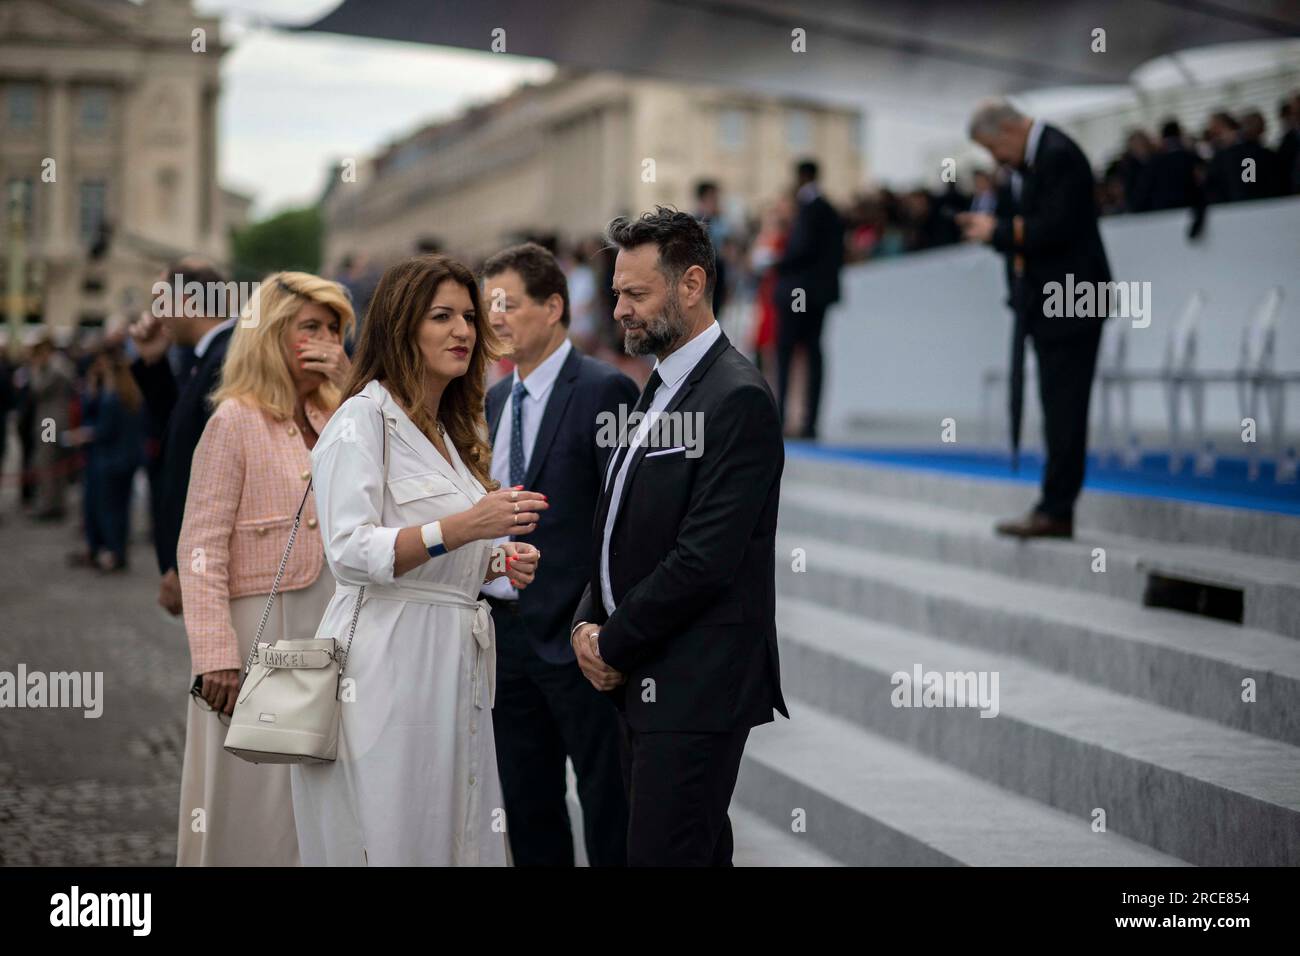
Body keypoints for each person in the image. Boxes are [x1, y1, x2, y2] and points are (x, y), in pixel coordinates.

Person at [292, 254, 544, 866]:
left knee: (456, 831)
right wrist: (466, 526)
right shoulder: (362, 420)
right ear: (404, 326)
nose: (462, 330)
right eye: (441, 316)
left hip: (452, 661)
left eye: (467, 316)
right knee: (395, 834)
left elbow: (437, 550)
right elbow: (350, 550)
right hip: (388, 661)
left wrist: (493, 561)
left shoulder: (443, 431)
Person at [570, 207, 788, 866]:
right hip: (643, 673)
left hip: (695, 685)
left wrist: (612, 639)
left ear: (692, 285)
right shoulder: (661, 384)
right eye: (616, 293)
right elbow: (619, 523)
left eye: (637, 294)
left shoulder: (737, 397)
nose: (621, 311)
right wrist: (588, 620)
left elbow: (704, 558)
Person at [175, 272, 354, 866]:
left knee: (321, 790)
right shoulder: (234, 419)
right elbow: (199, 547)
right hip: (261, 627)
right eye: (311, 327)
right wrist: (214, 655)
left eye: (334, 329)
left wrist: (350, 384)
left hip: (334, 626)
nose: (325, 340)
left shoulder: (342, 415)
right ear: (271, 335)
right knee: (257, 795)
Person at [480, 242, 636, 867]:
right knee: (527, 805)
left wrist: (602, 624)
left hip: (578, 638)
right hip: (503, 639)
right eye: (488, 305)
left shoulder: (607, 390)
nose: (494, 319)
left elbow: (625, 521)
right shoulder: (491, 402)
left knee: (608, 804)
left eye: (508, 305)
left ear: (553, 307)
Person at [958, 99, 1111, 539]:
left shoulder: (1059, 154)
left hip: (1073, 300)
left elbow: (1055, 229)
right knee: (1056, 405)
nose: (995, 159)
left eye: (993, 148)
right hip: (1051, 301)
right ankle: (1053, 504)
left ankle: (1057, 509)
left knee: (1064, 406)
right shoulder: (1033, 160)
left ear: (1008, 130)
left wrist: (997, 233)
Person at [129, 259, 236, 617]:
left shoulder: (229, 357)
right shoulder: (209, 354)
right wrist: (154, 362)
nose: (156, 315)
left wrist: (183, 561)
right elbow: (177, 433)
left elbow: (207, 476)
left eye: (161, 301)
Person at [774, 159, 844, 439]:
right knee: (814, 353)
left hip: (798, 294)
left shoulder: (809, 209)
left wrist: (774, 264)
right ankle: (810, 422)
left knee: (786, 353)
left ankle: (781, 418)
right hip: (820, 295)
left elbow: (801, 250)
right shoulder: (830, 209)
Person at [71, 343, 145, 572]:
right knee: (120, 510)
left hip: (109, 460)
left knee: (108, 509)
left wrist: (85, 434)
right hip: (127, 460)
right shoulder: (132, 395)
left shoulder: (112, 398)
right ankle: (116, 550)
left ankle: (112, 552)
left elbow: (104, 430)